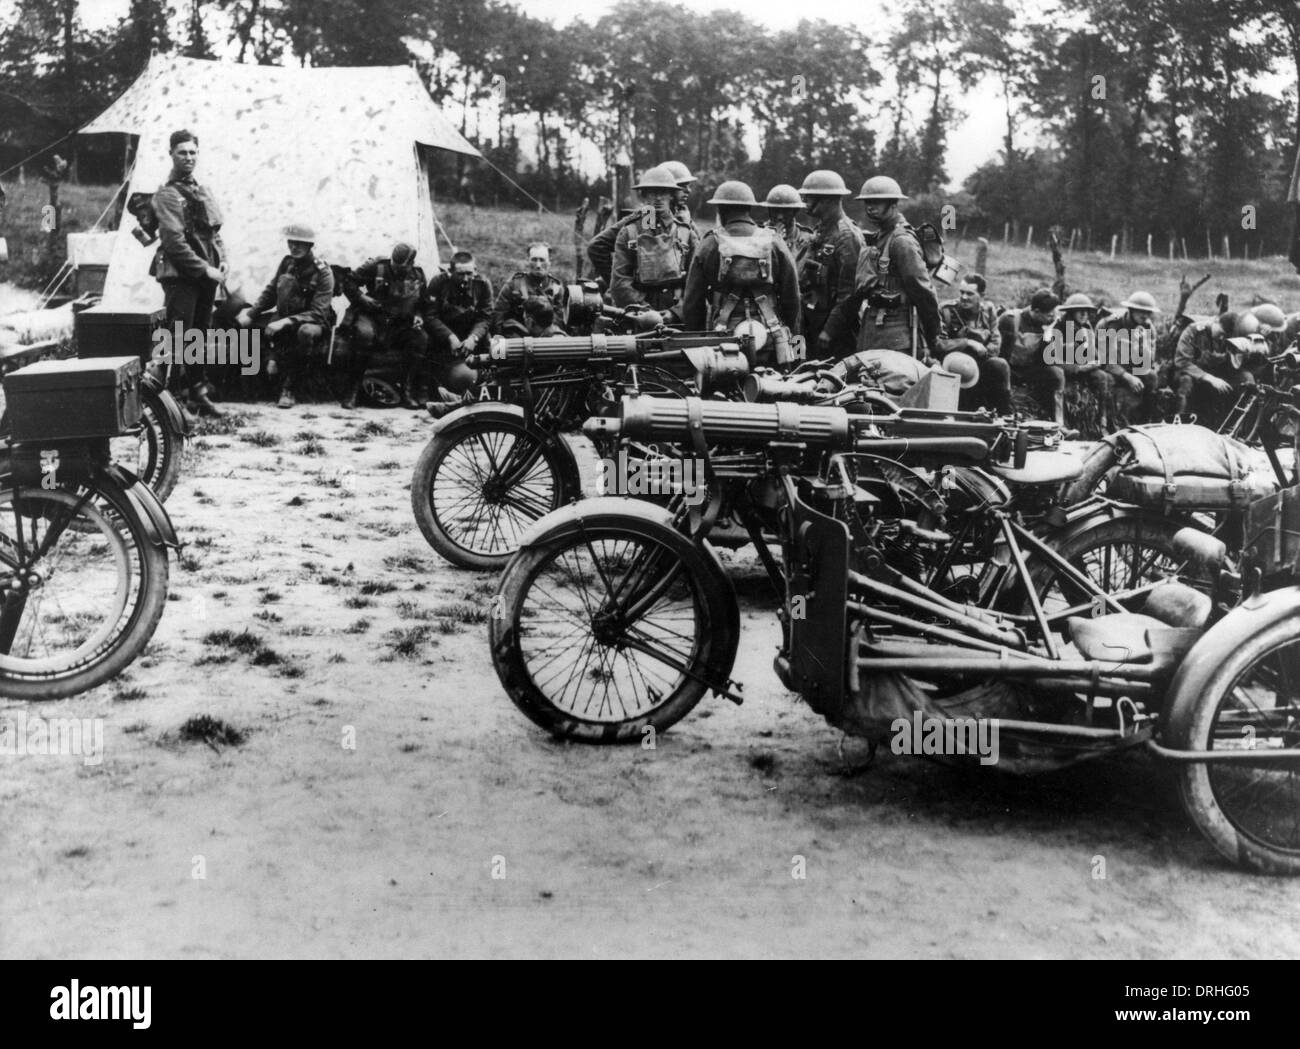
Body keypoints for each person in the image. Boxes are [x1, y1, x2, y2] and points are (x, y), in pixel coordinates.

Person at [679, 180, 801, 359]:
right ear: (749, 208)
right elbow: (793, 300)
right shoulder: (774, 241)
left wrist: (698, 345)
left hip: (722, 340)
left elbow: (692, 304)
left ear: (720, 209)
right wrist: (796, 351)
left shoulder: (709, 244)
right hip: (771, 338)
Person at [151, 128, 227, 416]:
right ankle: (169, 400)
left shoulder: (202, 190)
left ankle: (197, 393)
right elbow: (174, 243)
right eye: (182, 152)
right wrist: (204, 269)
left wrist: (223, 260)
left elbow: (214, 233)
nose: (188, 157)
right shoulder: (167, 194)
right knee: (176, 335)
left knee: (199, 335)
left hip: (207, 274)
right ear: (170, 154)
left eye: (193, 152)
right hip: (181, 276)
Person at [831, 175, 941, 365]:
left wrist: (935, 337)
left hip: (895, 332)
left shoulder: (901, 241)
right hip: (874, 327)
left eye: (876, 203)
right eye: (867, 203)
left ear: (893, 204)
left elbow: (923, 292)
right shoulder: (882, 236)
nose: (870, 208)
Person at [236, 222, 334, 409]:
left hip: (312, 323)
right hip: (282, 318)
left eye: (299, 243)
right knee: (247, 330)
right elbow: (271, 292)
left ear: (310, 245)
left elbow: (318, 312)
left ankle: (290, 388)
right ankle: (251, 386)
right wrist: (251, 313)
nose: (294, 247)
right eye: (291, 242)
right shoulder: (287, 263)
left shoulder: (323, 272)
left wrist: (286, 322)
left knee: (304, 333)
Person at [341, 242, 432, 410]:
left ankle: (407, 390)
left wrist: (419, 315)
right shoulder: (376, 266)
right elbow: (348, 282)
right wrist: (362, 298)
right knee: (364, 334)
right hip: (372, 316)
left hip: (400, 322)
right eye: (395, 266)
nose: (397, 271)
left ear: (411, 264)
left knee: (420, 339)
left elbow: (423, 301)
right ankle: (352, 389)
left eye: (402, 268)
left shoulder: (417, 274)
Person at [610, 165, 698, 318]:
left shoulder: (686, 233)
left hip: (677, 316)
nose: (658, 198)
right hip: (638, 316)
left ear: (671, 195)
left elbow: (696, 282)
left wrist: (676, 312)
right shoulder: (629, 233)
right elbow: (620, 282)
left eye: (663, 192)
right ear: (643, 196)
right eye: (652, 192)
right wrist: (645, 311)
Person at [796, 169, 864, 358]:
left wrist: (830, 330)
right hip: (809, 322)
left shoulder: (847, 236)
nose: (805, 203)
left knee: (829, 378)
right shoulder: (822, 230)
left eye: (809, 198)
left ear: (826, 201)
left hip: (832, 332)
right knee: (799, 369)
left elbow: (849, 293)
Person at [1172, 311, 1267, 425]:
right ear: (1216, 321)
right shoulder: (1195, 331)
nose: (1222, 337)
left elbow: (1236, 365)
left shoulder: (1232, 338)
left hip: (1217, 373)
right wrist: (1209, 377)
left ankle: (1240, 427)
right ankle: (1177, 424)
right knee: (1186, 382)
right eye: (1221, 332)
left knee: (1246, 379)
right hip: (1191, 373)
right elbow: (1182, 361)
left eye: (1226, 336)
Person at [423, 250, 491, 404]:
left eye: (469, 273)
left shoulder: (483, 284)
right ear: (450, 272)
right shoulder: (439, 283)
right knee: (460, 377)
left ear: (475, 270)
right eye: (460, 274)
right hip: (444, 343)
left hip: (472, 342)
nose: (466, 279)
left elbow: (485, 317)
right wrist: (449, 336)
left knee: (470, 375)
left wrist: (474, 337)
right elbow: (430, 316)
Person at [937, 274, 1011, 413]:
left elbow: (996, 343)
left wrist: (981, 352)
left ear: (981, 296)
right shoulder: (946, 311)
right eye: (962, 292)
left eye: (970, 293)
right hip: (953, 365)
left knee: (1000, 365)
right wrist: (967, 342)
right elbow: (939, 344)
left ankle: (1004, 414)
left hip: (980, 364)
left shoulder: (988, 311)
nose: (964, 297)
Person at [1047, 292, 1115, 431]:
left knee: (1104, 377)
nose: (1084, 314)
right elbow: (1052, 356)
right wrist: (1077, 364)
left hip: (1083, 367)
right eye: (1080, 311)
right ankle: (1059, 425)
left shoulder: (1087, 327)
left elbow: (1095, 353)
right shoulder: (1058, 327)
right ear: (1071, 312)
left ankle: (1103, 422)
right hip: (1064, 368)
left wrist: (1094, 361)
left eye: (1087, 311)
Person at [1095, 290, 1161, 427]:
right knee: (1108, 381)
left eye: (1149, 312)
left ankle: (1146, 422)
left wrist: (1142, 344)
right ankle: (1108, 423)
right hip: (1112, 369)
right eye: (1141, 311)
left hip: (1133, 367)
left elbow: (1149, 361)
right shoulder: (1109, 324)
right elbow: (1103, 358)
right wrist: (1127, 376)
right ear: (1131, 309)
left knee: (1152, 377)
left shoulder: (1149, 328)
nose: (1145, 316)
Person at [999, 288, 1065, 423]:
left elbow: (1047, 361)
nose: (1052, 317)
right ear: (1036, 312)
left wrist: (1048, 338)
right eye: (1048, 315)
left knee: (1057, 373)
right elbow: (998, 350)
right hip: (1009, 369)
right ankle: (1006, 416)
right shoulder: (1010, 319)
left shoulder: (1048, 325)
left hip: (1029, 370)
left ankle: (1058, 424)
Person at [491, 242, 567, 336]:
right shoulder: (515, 284)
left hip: (547, 337)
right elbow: (499, 314)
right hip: (518, 336)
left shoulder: (556, 288)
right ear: (528, 261)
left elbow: (560, 319)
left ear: (549, 262)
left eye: (542, 260)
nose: (538, 265)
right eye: (534, 260)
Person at [762, 184, 814, 273]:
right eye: (775, 210)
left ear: (795, 211)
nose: (780, 217)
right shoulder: (758, 235)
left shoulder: (807, 238)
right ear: (769, 210)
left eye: (786, 211)